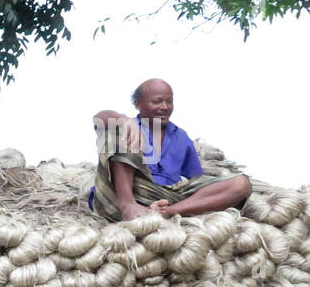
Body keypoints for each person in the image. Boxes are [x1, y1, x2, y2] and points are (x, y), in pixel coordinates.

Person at [90, 78, 252, 221]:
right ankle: (129, 206)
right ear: (138, 104)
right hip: (131, 191)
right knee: (115, 128)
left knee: (241, 184)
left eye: (169, 101)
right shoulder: (127, 125)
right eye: (157, 101)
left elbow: (195, 180)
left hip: (168, 197)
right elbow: (100, 116)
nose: (165, 107)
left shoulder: (181, 136)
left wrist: (177, 205)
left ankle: (167, 213)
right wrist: (123, 120)